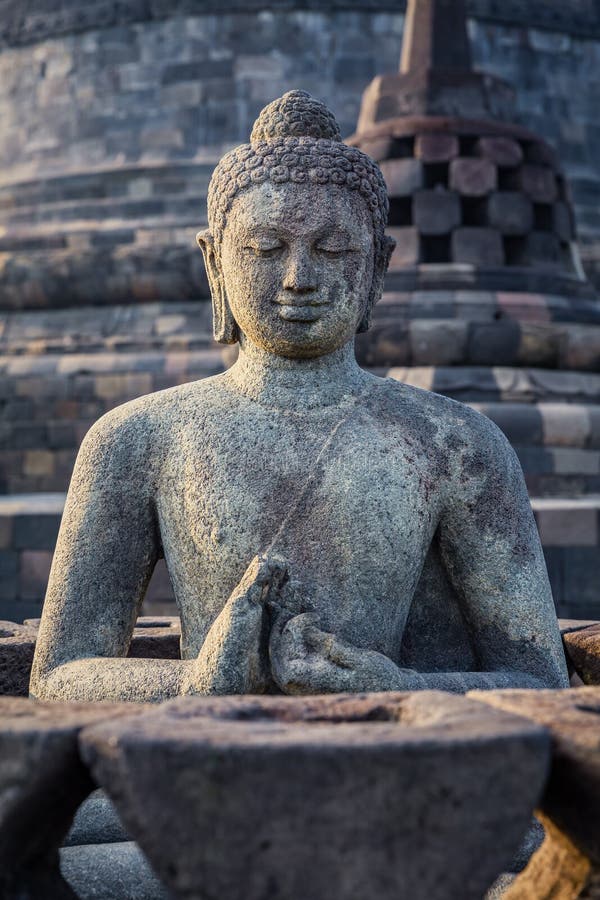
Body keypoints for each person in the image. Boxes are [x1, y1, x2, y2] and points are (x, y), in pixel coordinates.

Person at [30, 92, 569, 702]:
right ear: (215, 264)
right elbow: (57, 679)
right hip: (198, 771)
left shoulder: (456, 444)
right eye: (264, 250)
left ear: (377, 269)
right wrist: (206, 680)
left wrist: (402, 689)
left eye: (334, 250)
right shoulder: (138, 440)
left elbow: (539, 682)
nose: (299, 279)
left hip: (395, 769)